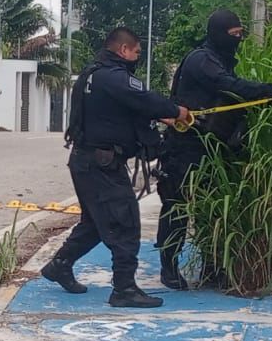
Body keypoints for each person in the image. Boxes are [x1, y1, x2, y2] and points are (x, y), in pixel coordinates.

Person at [41, 28, 191, 308]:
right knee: (125, 222)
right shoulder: (115, 77)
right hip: (102, 163)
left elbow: (118, 110)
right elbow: (144, 99)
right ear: (123, 50)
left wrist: (161, 118)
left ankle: (60, 264)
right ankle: (124, 289)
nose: (136, 58)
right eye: (135, 52)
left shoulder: (91, 74)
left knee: (96, 222)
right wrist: (176, 111)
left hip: (85, 160)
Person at [155, 9, 272, 289]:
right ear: (219, 33)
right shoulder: (202, 60)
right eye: (234, 35)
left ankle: (212, 268)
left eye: (241, 34)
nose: (239, 39)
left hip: (213, 148)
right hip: (186, 146)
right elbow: (231, 86)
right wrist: (271, 90)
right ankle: (169, 268)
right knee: (177, 209)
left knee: (210, 212)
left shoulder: (220, 60)